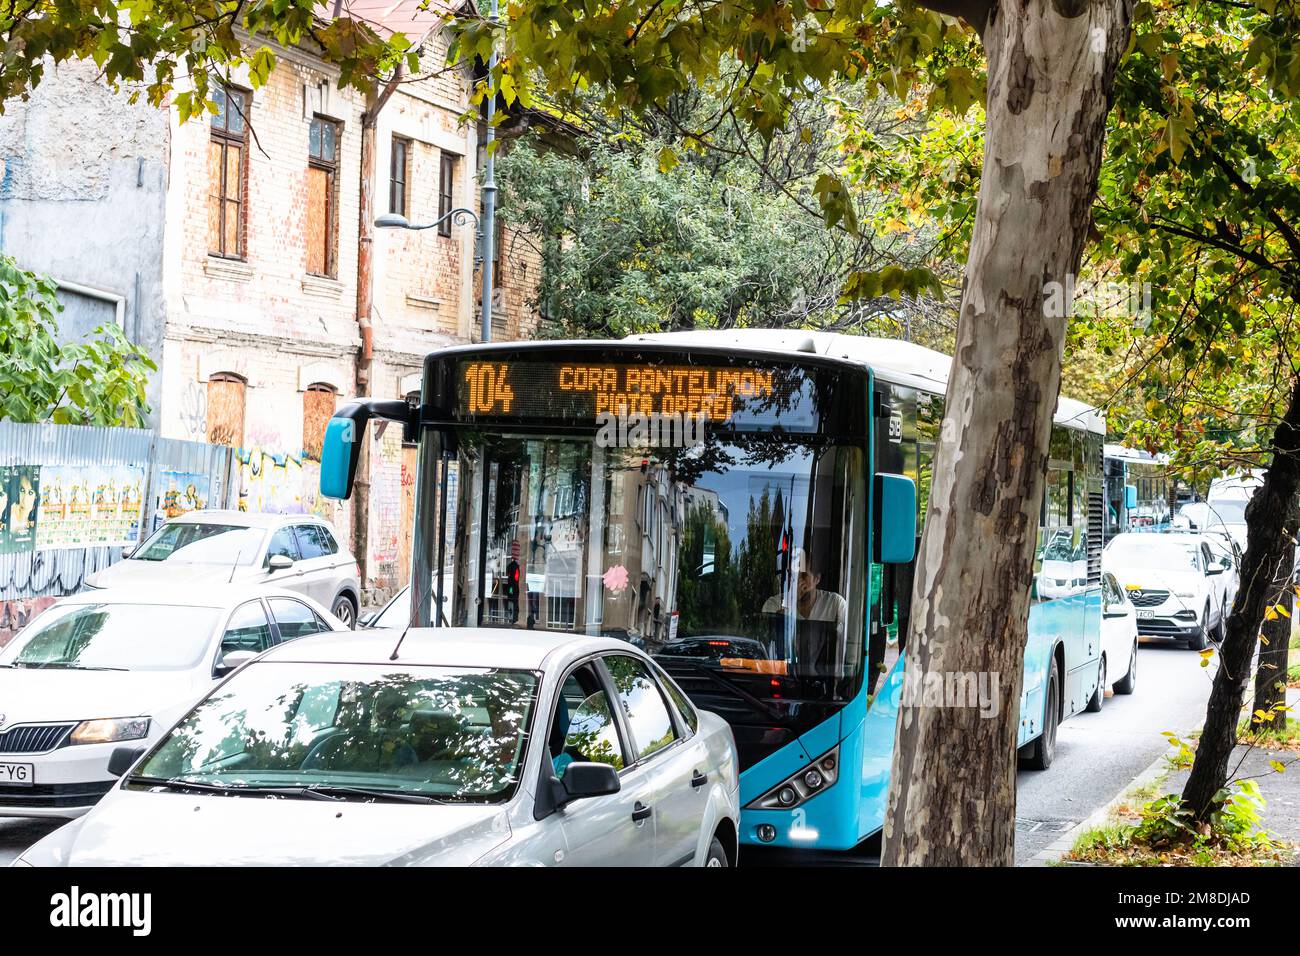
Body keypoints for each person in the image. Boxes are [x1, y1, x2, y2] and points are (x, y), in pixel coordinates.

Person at [762, 548, 847, 673]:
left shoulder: (835, 603)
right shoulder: (773, 604)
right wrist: (791, 601)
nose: (797, 581)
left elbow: (846, 644)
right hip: (783, 674)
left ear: (817, 579)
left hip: (824, 676)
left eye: (803, 575)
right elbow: (769, 643)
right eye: (793, 575)